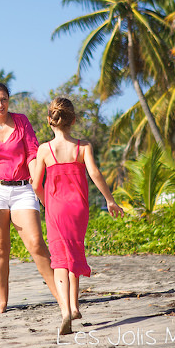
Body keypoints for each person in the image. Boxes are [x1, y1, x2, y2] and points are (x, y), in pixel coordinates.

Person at [32, 97, 123, 335]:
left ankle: (65, 311)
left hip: (56, 208)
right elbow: (95, 174)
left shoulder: (44, 149)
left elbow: (35, 184)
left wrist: (46, 201)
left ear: (50, 120)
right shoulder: (83, 147)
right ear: (73, 120)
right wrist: (109, 200)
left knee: (60, 258)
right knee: (74, 251)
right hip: (79, 208)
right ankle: (74, 307)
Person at [0, 82, 59, 313]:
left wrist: (38, 182)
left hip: (22, 188)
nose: (0, 104)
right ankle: (1, 302)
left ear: (9, 100)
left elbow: (32, 153)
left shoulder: (21, 121)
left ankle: (61, 296)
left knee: (36, 243)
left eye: (4, 99)